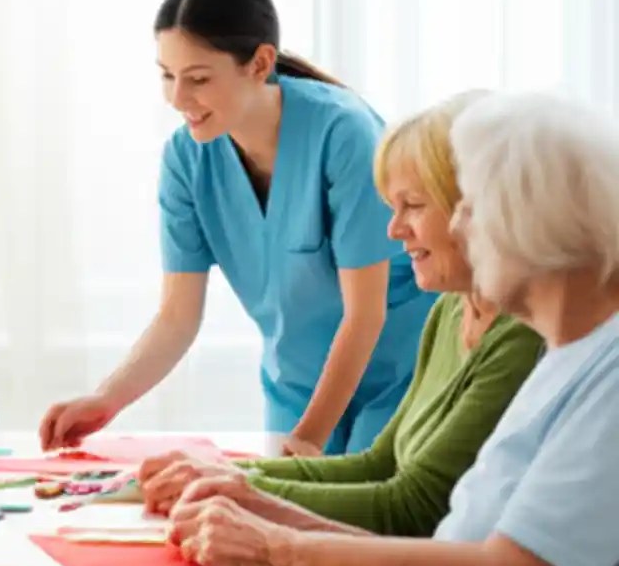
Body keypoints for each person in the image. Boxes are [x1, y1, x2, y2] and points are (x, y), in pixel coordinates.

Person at [168, 91, 619, 566]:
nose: (457, 227)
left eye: (468, 207)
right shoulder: (567, 355)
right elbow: (456, 556)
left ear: (533, 221)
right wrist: (260, 508)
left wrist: (277, 546)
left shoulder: (606, 370)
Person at [40, 0, 435, 456]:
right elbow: (177, 317)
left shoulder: (344, 134)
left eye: (199, 79)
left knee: (362, 517)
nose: (178, 99)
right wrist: (105, 399)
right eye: (167, 76)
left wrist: (308, 442)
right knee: (272, 520)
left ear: (259, 63)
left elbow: (364, 313)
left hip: (394, 374)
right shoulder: (187, 159)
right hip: (298, 384)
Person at [136, 93, 542, 536]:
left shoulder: (522, 334)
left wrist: (239, 490)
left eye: (414, 205)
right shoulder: (449, 310)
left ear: (477, 207)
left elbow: (414, 504)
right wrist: (226, 477)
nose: (393, 230)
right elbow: (378, 463)